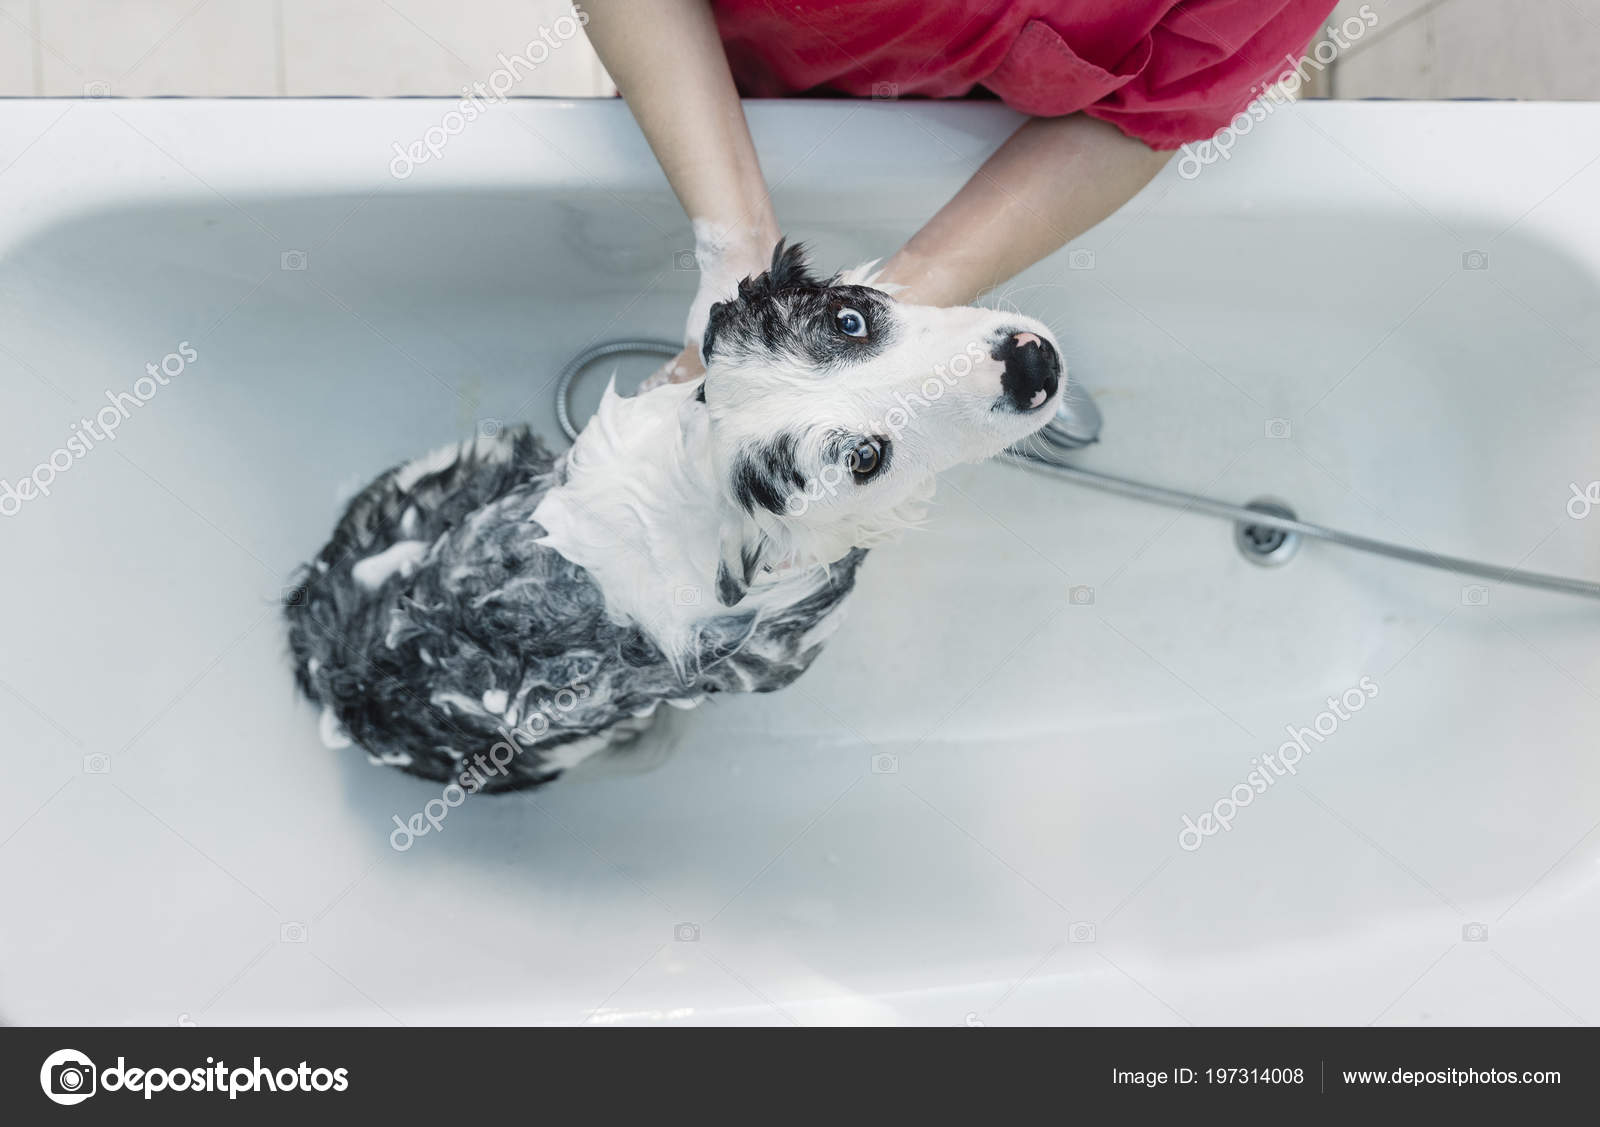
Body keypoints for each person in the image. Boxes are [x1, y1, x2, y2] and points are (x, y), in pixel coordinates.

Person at [582, 0, 1338, 386]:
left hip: (993, 141)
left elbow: (1153, 107)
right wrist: (733, 245)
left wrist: (893, 311)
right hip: (728, 84)